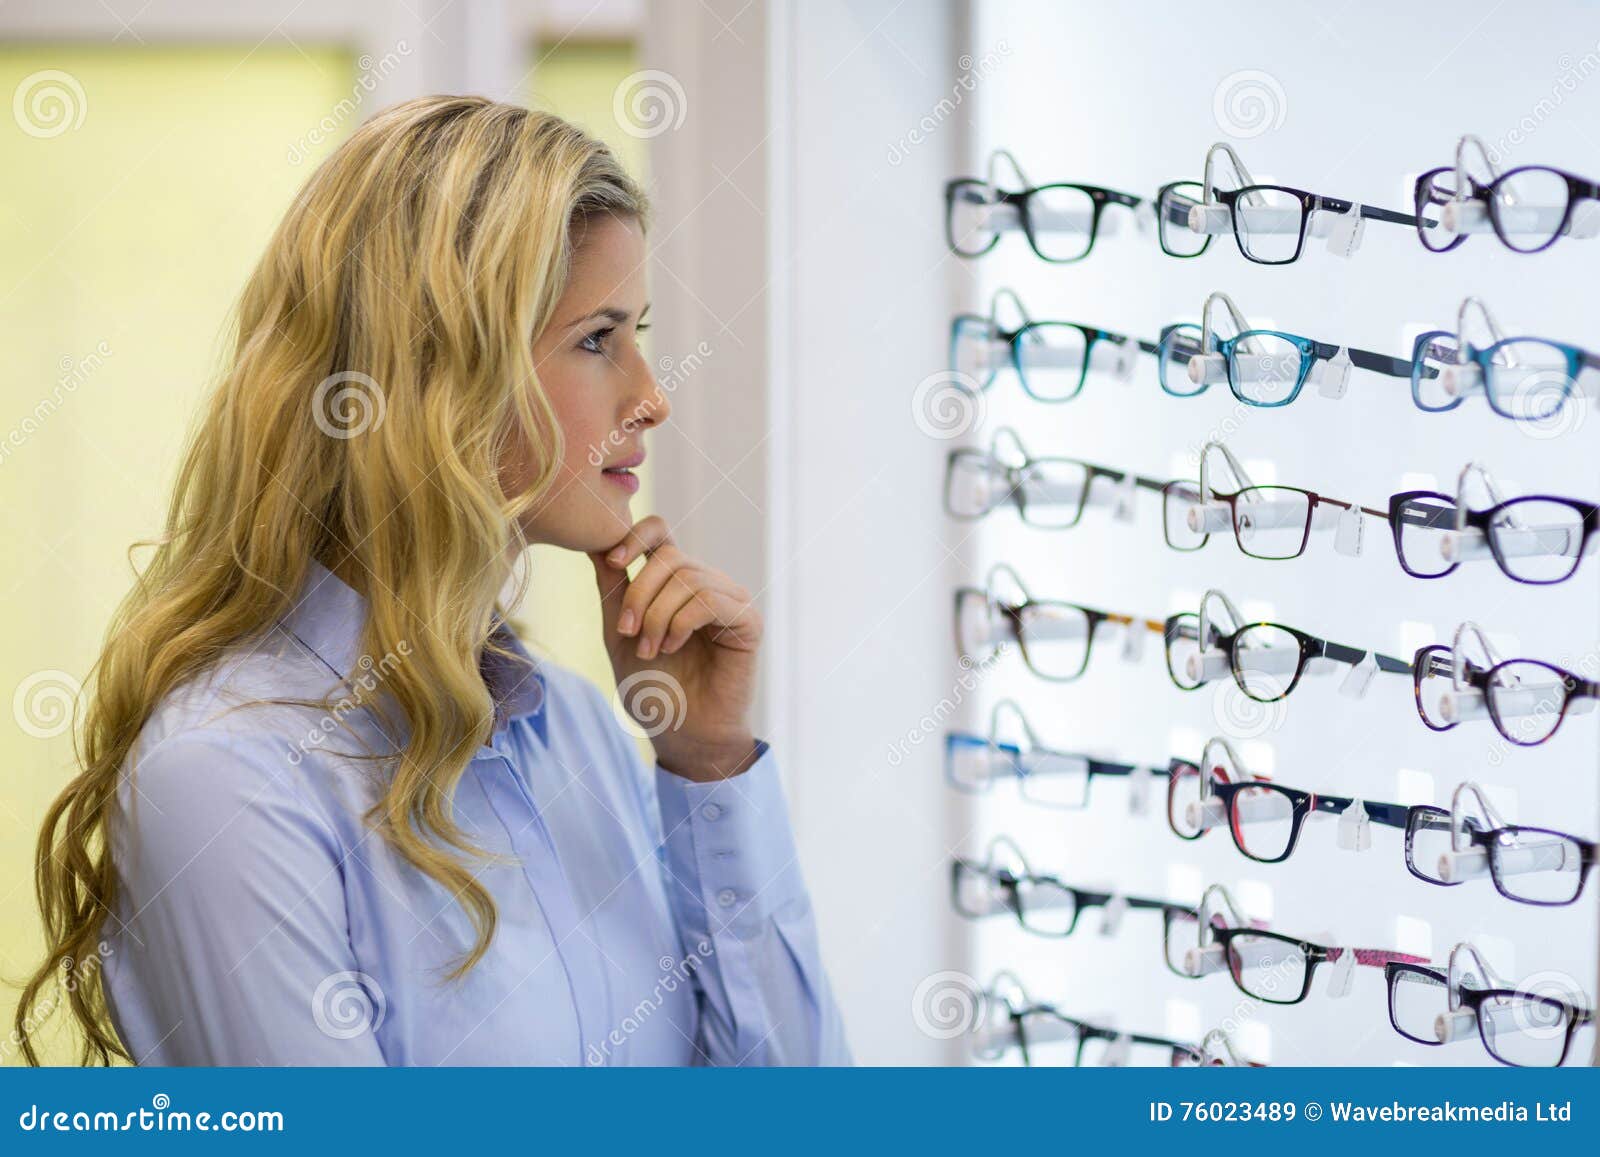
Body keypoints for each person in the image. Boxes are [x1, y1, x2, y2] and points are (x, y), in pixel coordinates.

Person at [14, 95, 850, 1066]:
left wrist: (707, 764)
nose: (651, 395)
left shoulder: (576, 728)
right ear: (438, 375)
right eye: (597, 340)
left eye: (641, 333)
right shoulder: (229, 777)